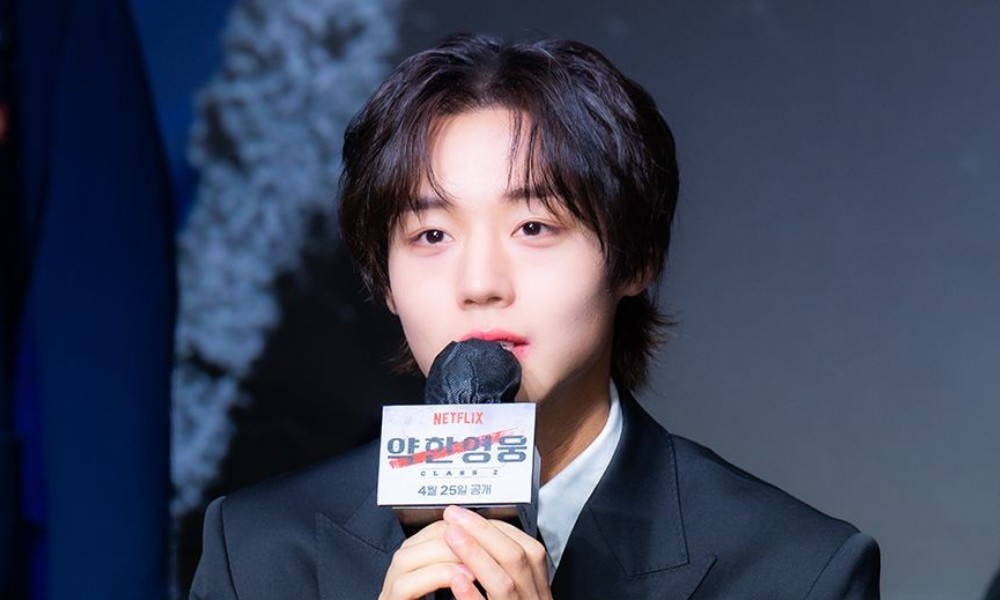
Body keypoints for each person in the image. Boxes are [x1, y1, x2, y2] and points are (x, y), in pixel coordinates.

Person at [190, 33, 880, 599]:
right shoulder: (257, 554)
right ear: (385, 279)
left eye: (534, 227)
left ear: (636, 258)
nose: (480, 284)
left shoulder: (798, 571)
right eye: (432, 235)